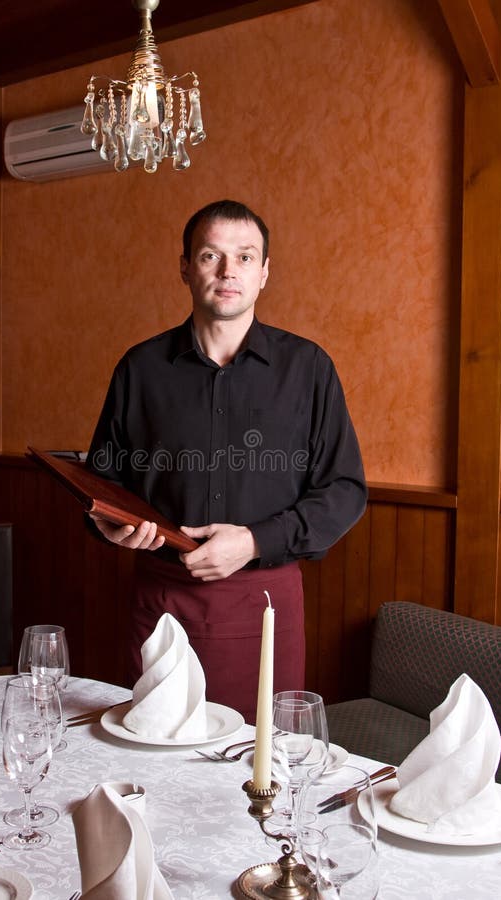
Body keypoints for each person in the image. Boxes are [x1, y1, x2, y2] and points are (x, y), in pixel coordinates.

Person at [86, 199, 366, 723]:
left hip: (264, 602)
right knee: (153, 759)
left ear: (264, 273)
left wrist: (255, 541)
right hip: (161, 598)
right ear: (186, 267)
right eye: (211, 255)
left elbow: (344, 490)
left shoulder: (309, 369)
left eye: (244, 257)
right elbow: (104, 480)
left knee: (259, 770)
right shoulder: (139, 368)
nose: (227, 271)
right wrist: (110, 524)